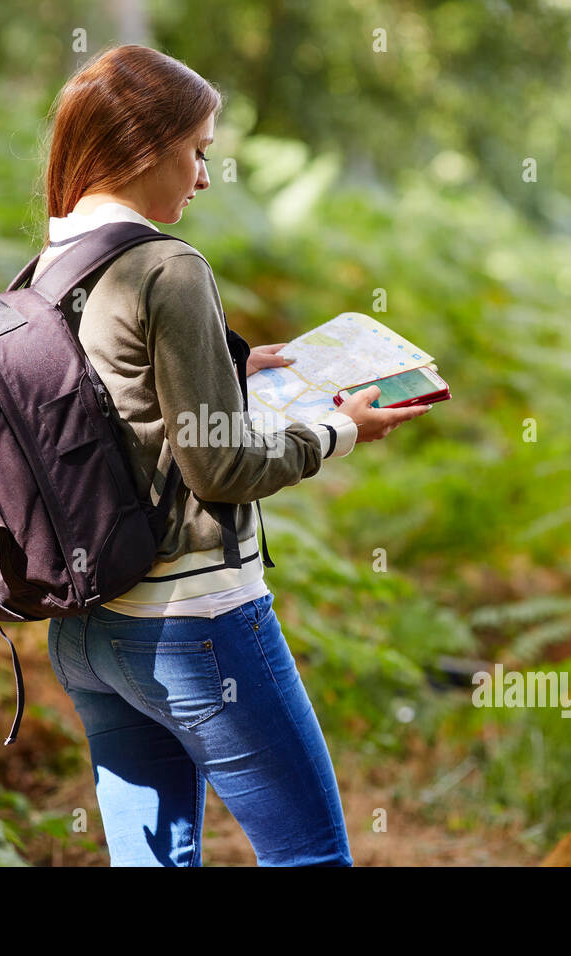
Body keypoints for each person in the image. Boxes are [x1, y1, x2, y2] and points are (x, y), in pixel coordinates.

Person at [39, 43, 433, 867]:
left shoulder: (48, 269)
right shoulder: (169, 267)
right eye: (199, 152)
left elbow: (114, 397)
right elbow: (218, 469)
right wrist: (344, 428)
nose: (206, 177)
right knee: (310, 859)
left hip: (87, 630)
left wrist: (228, 364)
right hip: (193, 627)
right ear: (144, 147)